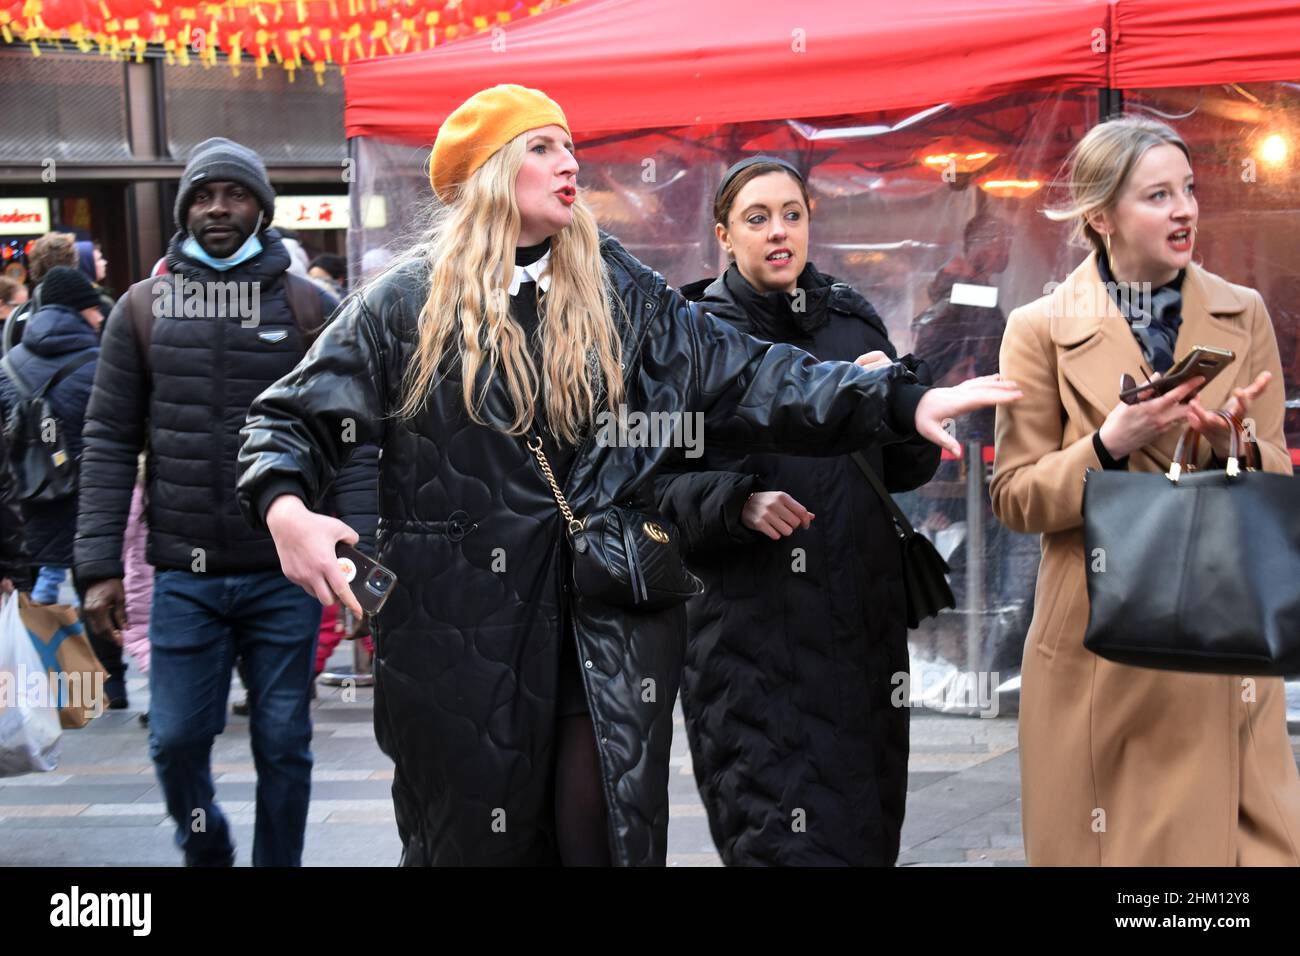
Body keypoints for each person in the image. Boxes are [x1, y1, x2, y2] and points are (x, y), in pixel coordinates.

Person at [235, 84, 1020, 867]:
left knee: (602, 833)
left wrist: (897, 397)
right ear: (489, 171)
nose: (568, 163)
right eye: (540, 148)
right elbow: (290, 417)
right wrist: (285, 510)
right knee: (472, 844)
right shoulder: (404, 303)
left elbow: (749, 375)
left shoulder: (619, 291)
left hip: (603, 614)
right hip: (459, 626)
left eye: (568, 145)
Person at [991, 115, 1300, 865]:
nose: (1185, 209)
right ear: (1101, 218)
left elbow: (1278, 482)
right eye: (1157, 195)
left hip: (1219, 642)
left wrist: (1238, 446)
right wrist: (1106, 445)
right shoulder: (1039, 328)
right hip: (1102, 647)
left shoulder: (1241, 311)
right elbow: (1015, 496)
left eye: (1188, 190)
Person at [74, 137, 378, 867]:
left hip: (287, 573)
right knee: (175, 737)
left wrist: (358, 552)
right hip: (182, 573)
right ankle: (205, 851)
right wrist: (94, 566)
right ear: (184, 210)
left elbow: (355, 437)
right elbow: (109, 439)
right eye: (204, 195)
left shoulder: (311, 307)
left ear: (261, 208)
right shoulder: (140, 311)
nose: (218, 207)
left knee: (284, 740)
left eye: (235, 194)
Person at [652, 156, 940, 865]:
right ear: (724, 234)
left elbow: (906, 469)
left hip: (861, 637)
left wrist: (904, 401)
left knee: (867, 839)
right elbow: (643, 488)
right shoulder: (689, 340)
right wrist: (734, 500)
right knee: (781, 844)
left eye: (792, 215)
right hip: (752, 648)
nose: (778, 232)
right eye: (757, 218)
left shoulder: (851, 319)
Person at [0, 267, 121, 698]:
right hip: (88, 492)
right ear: (82, 309)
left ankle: (50, 683)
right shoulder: (101, 361)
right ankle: (113, 683)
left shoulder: (8, 363)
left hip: (25, 494)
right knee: (96, 581)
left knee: (36, 588)